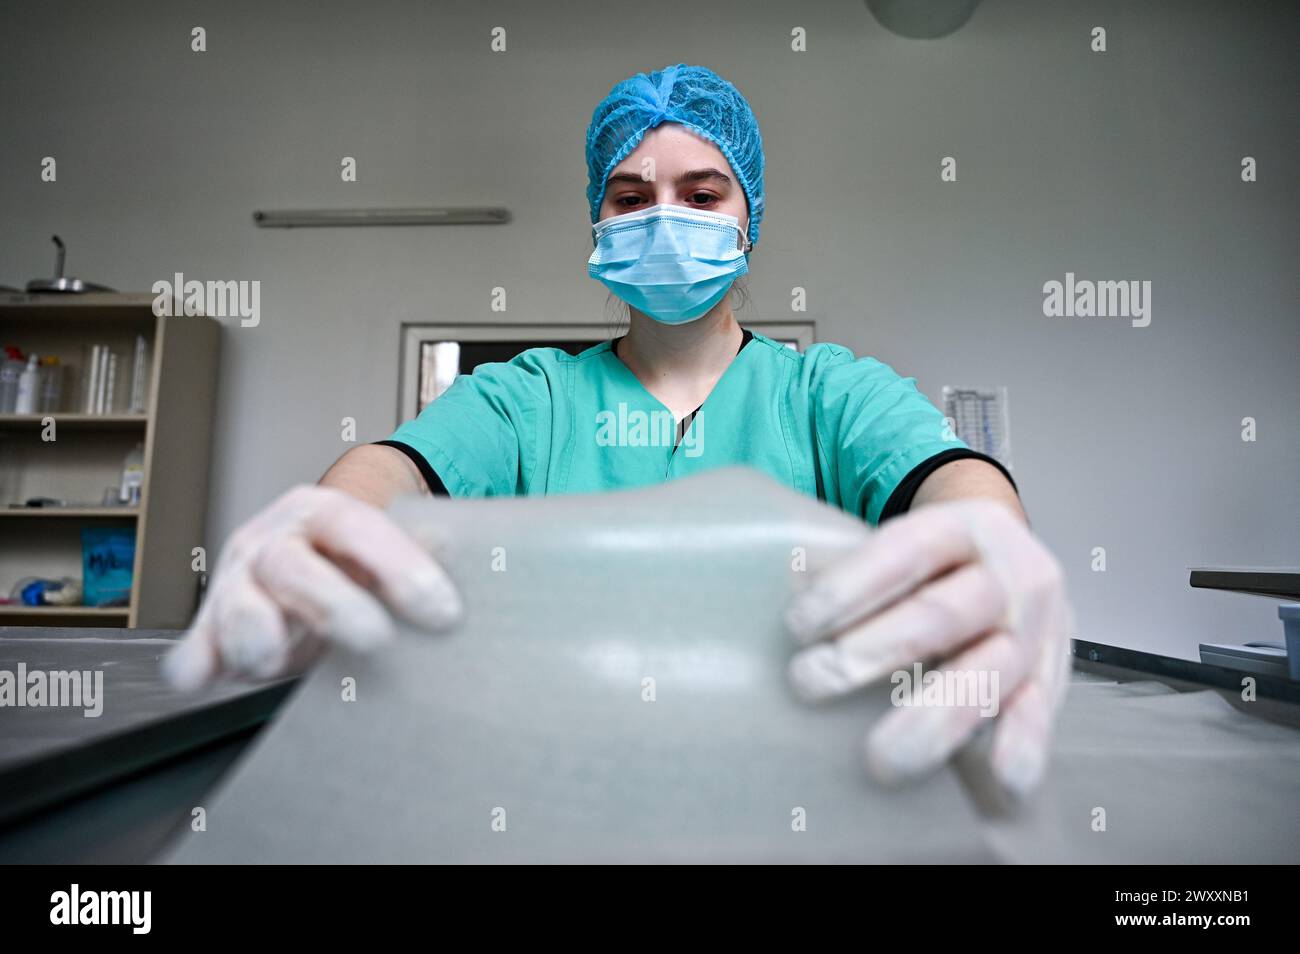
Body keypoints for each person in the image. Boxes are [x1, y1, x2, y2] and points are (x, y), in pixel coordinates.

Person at [165, 64, 1073, 800]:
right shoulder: (532, 396)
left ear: (748, 213)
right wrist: (330, 519)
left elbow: (947, 475)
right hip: (544, 777)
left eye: (702, 193)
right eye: (631, 197)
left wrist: (990, 533)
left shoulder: (826, 392)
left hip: (803, 784)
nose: (665, 216)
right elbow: (391, 466)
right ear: (597, 220)